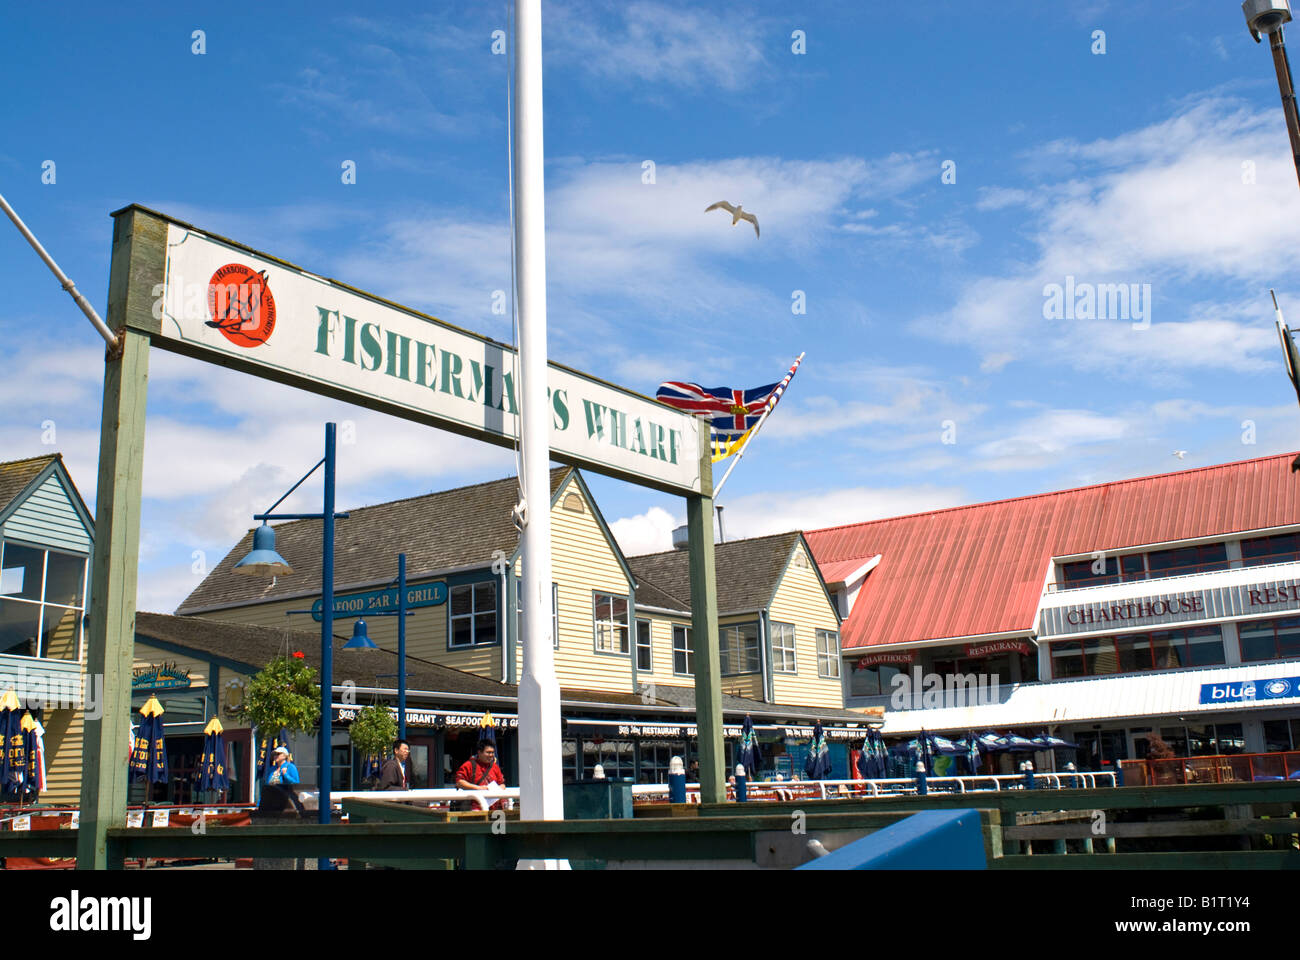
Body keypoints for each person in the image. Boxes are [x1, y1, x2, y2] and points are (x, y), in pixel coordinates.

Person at [455, 740, 505, 810]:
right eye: (488, 752)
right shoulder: (468, 765)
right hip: (473, 809)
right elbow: (459, 783)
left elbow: (502, 784)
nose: (491, 755)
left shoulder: (495, 767)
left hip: (494, 809)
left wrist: (497, 789)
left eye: (492, 752)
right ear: (479, 752)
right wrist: (479, 788)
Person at [259, 745, 304, 816]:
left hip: (285, 803)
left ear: (284, 756)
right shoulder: (272, 769)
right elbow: (267, 787)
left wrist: (285, 775)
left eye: (278, 754)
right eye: (274, 754)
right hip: (271, 802)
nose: (275, 756)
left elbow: (296, 783)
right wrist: (260, 804)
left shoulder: (290, 767)